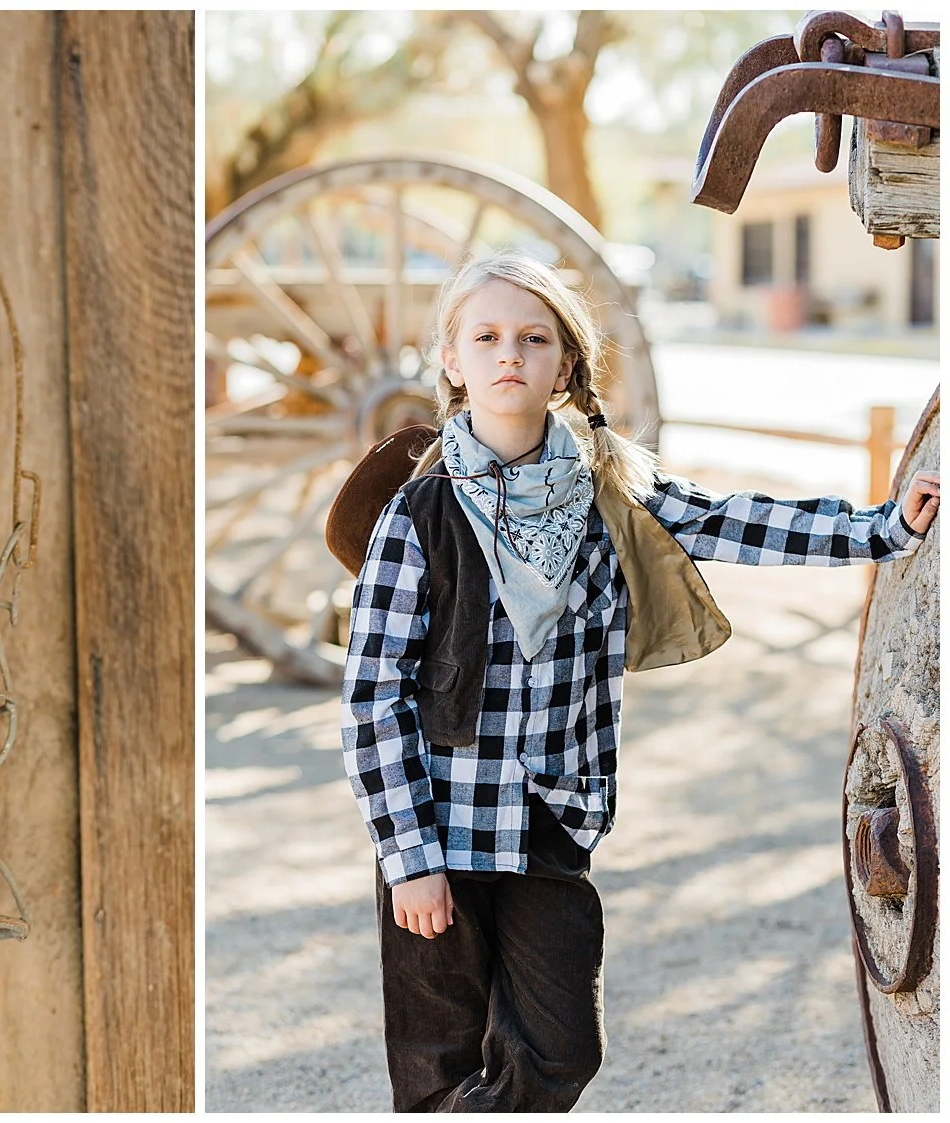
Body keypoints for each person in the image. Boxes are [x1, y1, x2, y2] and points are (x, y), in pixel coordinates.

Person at [339, 251, 939, 1113]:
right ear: (452, 360)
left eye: (533, 337)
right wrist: (408, 858)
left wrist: (879, 529)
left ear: (566, 363)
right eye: (487, 336)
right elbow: (375, 698)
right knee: (436, 1064)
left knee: (561, 1051)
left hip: (552, 816)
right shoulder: (417, 514)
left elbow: (736, 521)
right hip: (442, 826)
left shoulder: (612, 485)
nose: (510, 352)